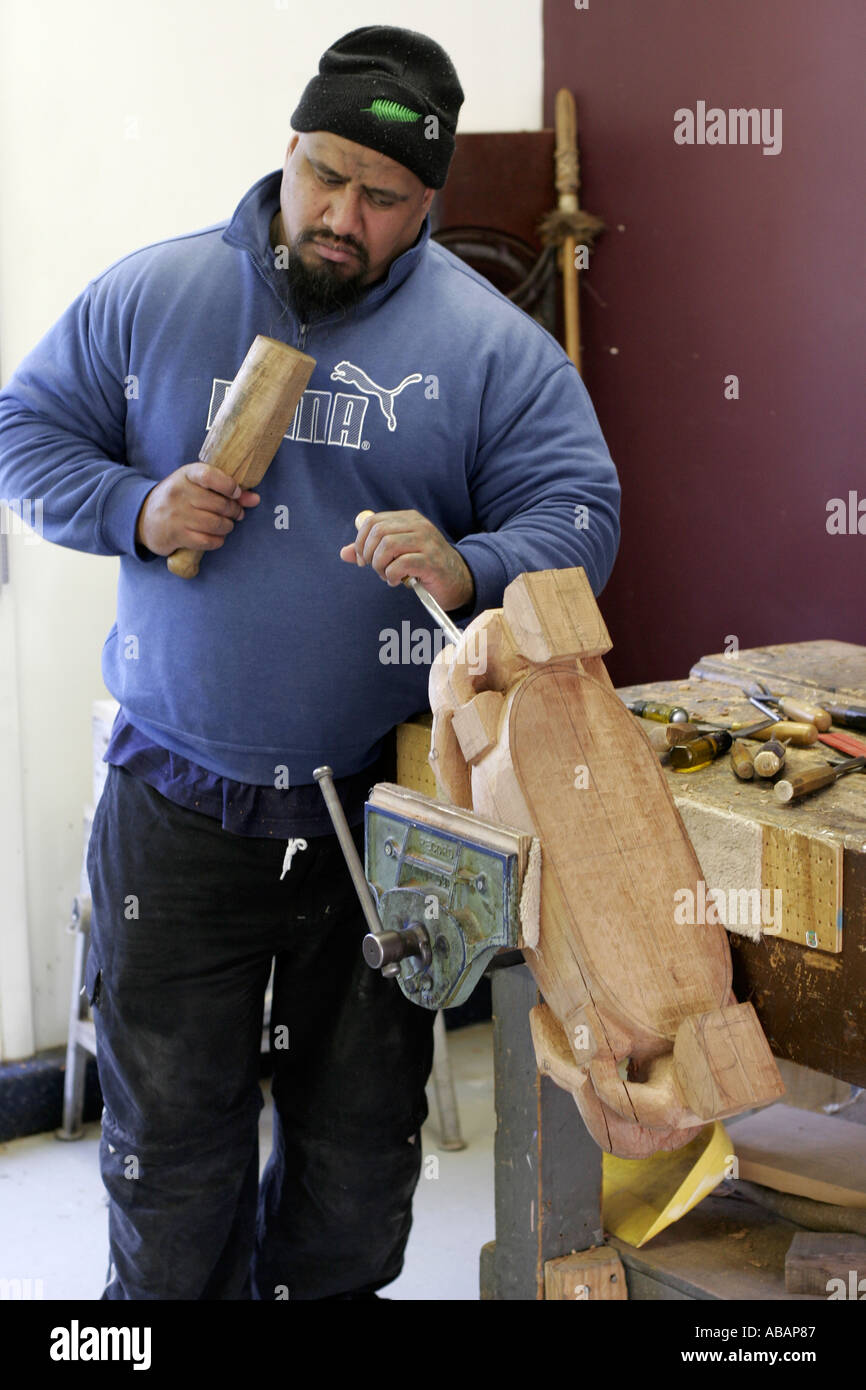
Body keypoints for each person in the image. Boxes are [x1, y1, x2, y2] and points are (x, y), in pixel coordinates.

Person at [0, 25, 620, 1300]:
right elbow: (25, 431)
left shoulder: (487, 348)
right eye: (323, 174)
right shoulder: (156, 294)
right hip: (174, 807)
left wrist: (464, 563)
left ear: (427, 202)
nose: (342, 215)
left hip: (382, 829)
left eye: (382, 196)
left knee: (351, 1171)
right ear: (287, 149)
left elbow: (580, 515)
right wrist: (135, 508)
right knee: (169, 1167)